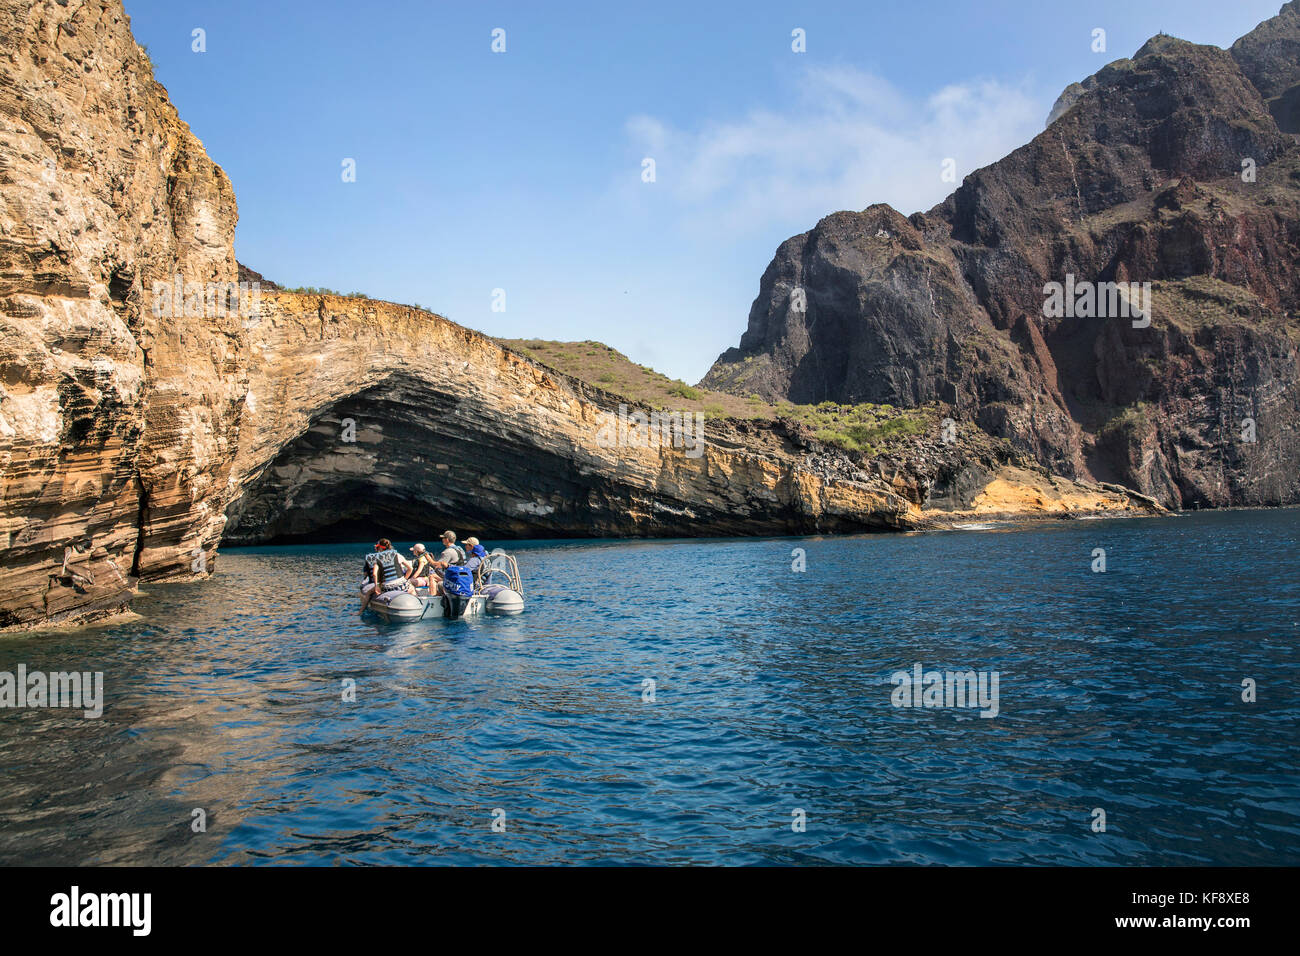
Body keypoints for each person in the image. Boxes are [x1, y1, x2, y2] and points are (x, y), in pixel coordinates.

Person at [360, 538, 414, 611]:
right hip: (402, 586)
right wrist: (405, 579)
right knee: (412, 588)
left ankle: (360, 612)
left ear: (379, 547)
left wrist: (376, 587)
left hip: (387, 588)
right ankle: (416, 603)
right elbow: (410, 568)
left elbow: (374, 574)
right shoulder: (397, 555)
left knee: (368, 593)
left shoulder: (377, 558)